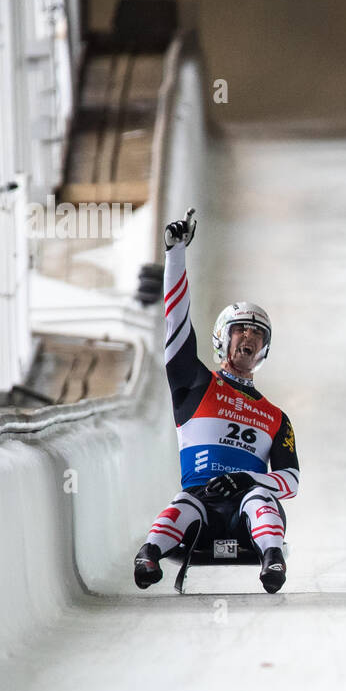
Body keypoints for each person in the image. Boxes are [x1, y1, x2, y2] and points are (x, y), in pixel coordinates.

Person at [133, 212, 300, 594]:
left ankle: (272, 557)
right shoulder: (196, 384)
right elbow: (177, 325)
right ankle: (148, 553)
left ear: (264, 350)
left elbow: (290, 481)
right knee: (183, 504)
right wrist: (175, 255)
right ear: (222, 339)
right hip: (201, 505)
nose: (249, 338)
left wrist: (249, 479)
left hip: (248, 509)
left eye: (258, 334)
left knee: (261, 498)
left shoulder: (276, 417)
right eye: (240, 328)